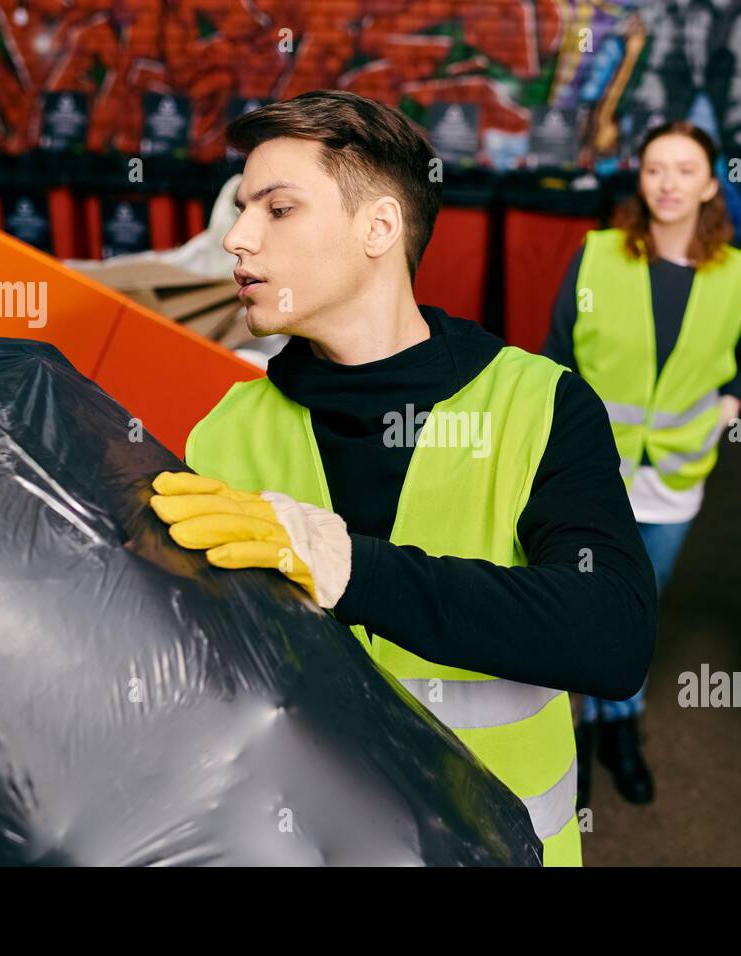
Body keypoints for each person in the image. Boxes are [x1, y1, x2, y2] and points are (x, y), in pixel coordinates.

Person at [147, 90, 661, 866]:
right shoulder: (226, 430)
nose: (238, 238)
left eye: (277, 209)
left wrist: (351, 569)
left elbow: (614, 634)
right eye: (241, 208)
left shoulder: (537, 404)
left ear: (379, 228)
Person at [543, 121, 741, 808]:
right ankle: (572, 739)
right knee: (579, 605)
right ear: (639, 180)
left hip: (674, 481)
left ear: (710, 185)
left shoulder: (738, 275)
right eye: (654, 169)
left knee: (637, 610)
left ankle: (622, 728)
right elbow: (556, 355)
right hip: (591, 477)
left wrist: (735, 404)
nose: (668, 183)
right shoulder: (597, 255)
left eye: (685, 170)